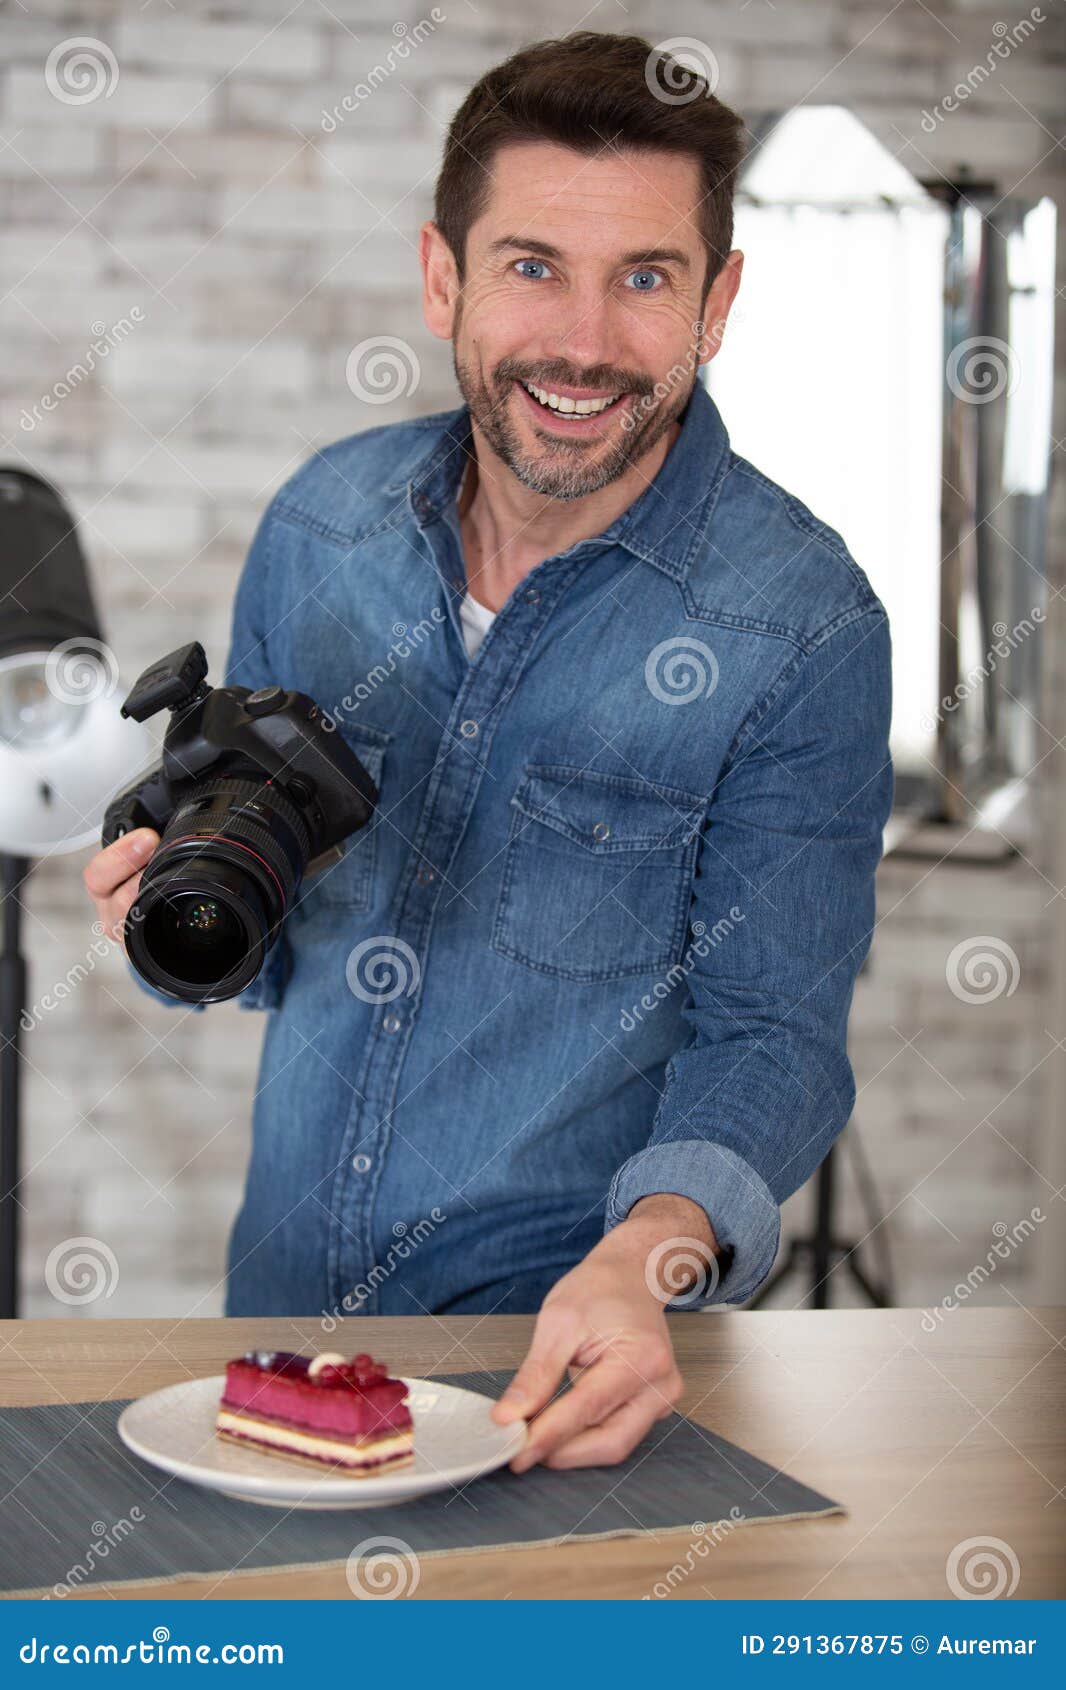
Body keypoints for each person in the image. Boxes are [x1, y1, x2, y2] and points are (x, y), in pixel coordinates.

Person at [83, 31, 893, 1473]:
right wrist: (173, 906)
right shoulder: (320, 526)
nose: (583, 341)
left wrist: (648, 1257)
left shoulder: (801, 623)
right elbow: (260, 946)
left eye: (643, 276)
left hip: (562, 1362)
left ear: (717, 302)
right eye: (531, 265)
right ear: (442, 278)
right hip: (278, 1329)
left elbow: (772, 1035)